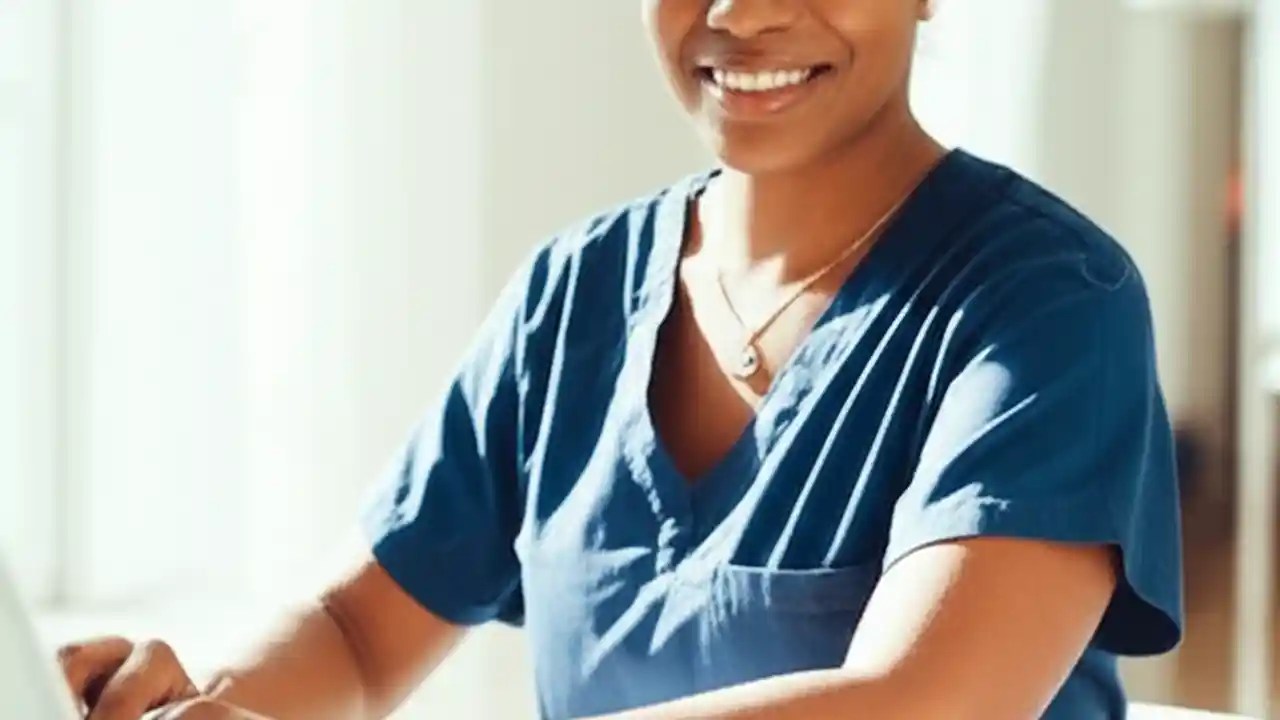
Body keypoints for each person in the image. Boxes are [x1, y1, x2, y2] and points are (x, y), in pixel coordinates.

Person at [58, 1, 1183, 718]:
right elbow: (356, 632)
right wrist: (205, 707)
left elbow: (918, 705)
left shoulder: (1047, 304)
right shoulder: (574, 295)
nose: (741, 13)